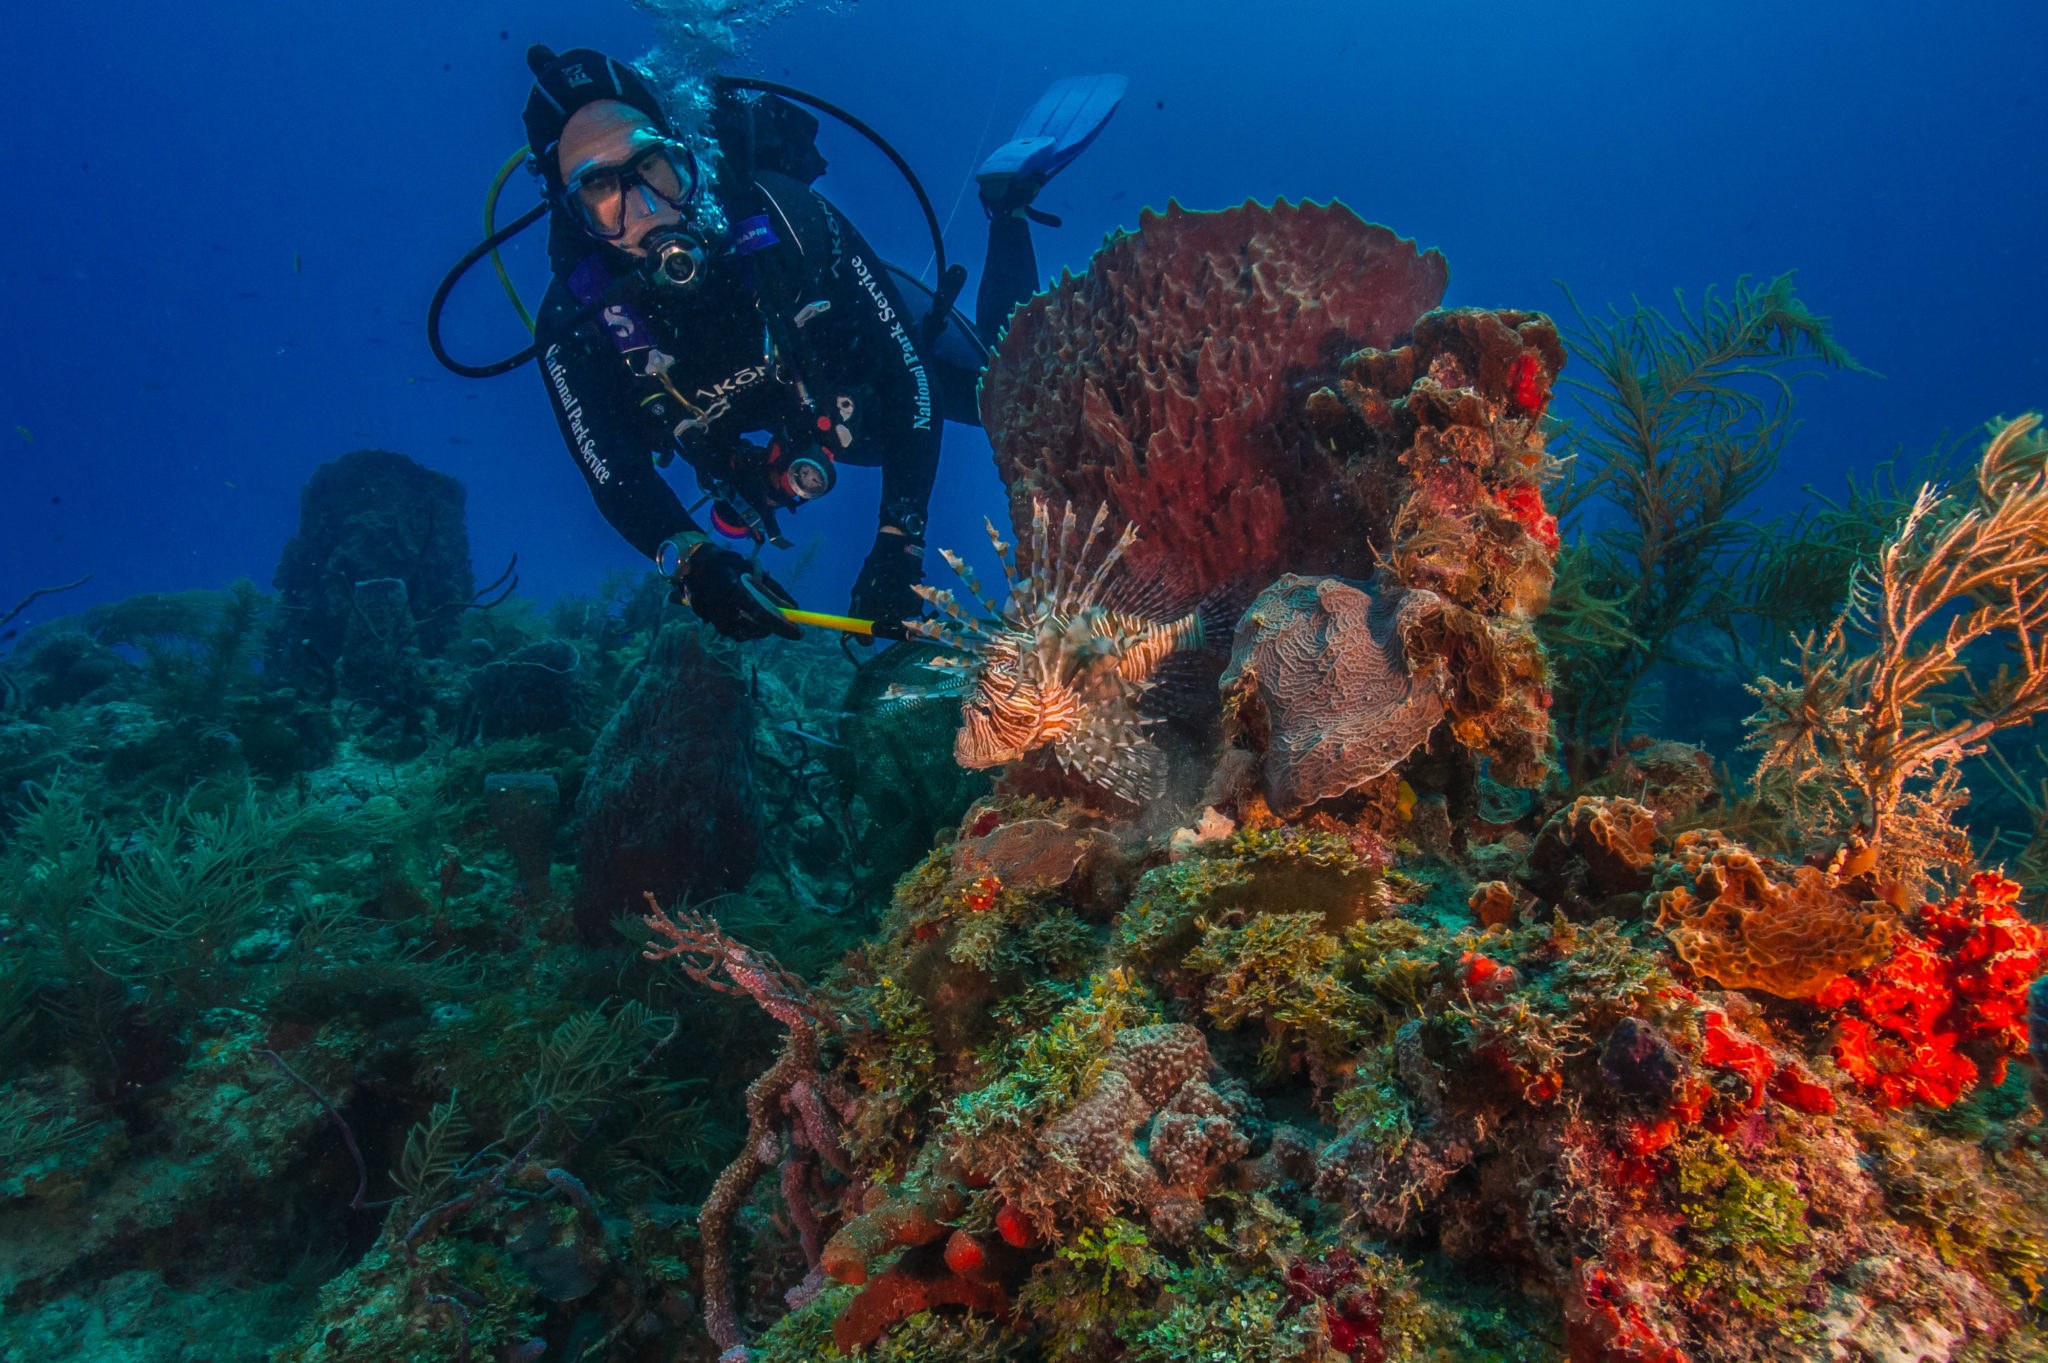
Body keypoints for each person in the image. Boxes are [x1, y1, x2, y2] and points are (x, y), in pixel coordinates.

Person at [520, 46, 1124, 641]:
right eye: (601, 189)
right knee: (875, 438)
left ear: (683, 157)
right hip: (806, 413)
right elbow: (614, 475)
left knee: (1009, 388)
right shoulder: (574, 327)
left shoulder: (787, 217)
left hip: (864, 353)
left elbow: (906, 370)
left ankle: (1007, 205)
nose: (646, 208)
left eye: (651, 165)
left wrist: (900, 539)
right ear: (569, 210)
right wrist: (694, 560)